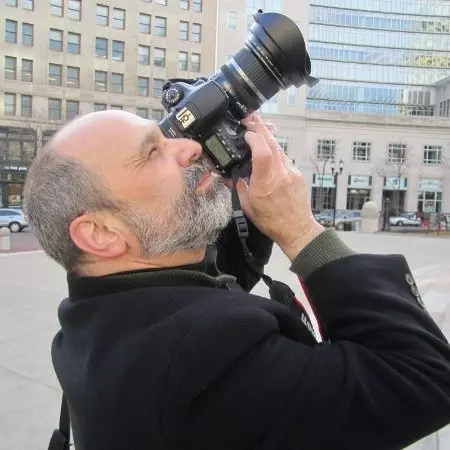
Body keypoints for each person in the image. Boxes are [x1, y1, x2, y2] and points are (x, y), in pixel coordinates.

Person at [24, 111, 450, 450]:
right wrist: (299, 229)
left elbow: (201, 285)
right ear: (100, 233)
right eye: (152, 152)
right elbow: (424, 378)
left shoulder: (98, 317)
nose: (190, 147)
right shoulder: (196, 362)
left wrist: (246, 199)